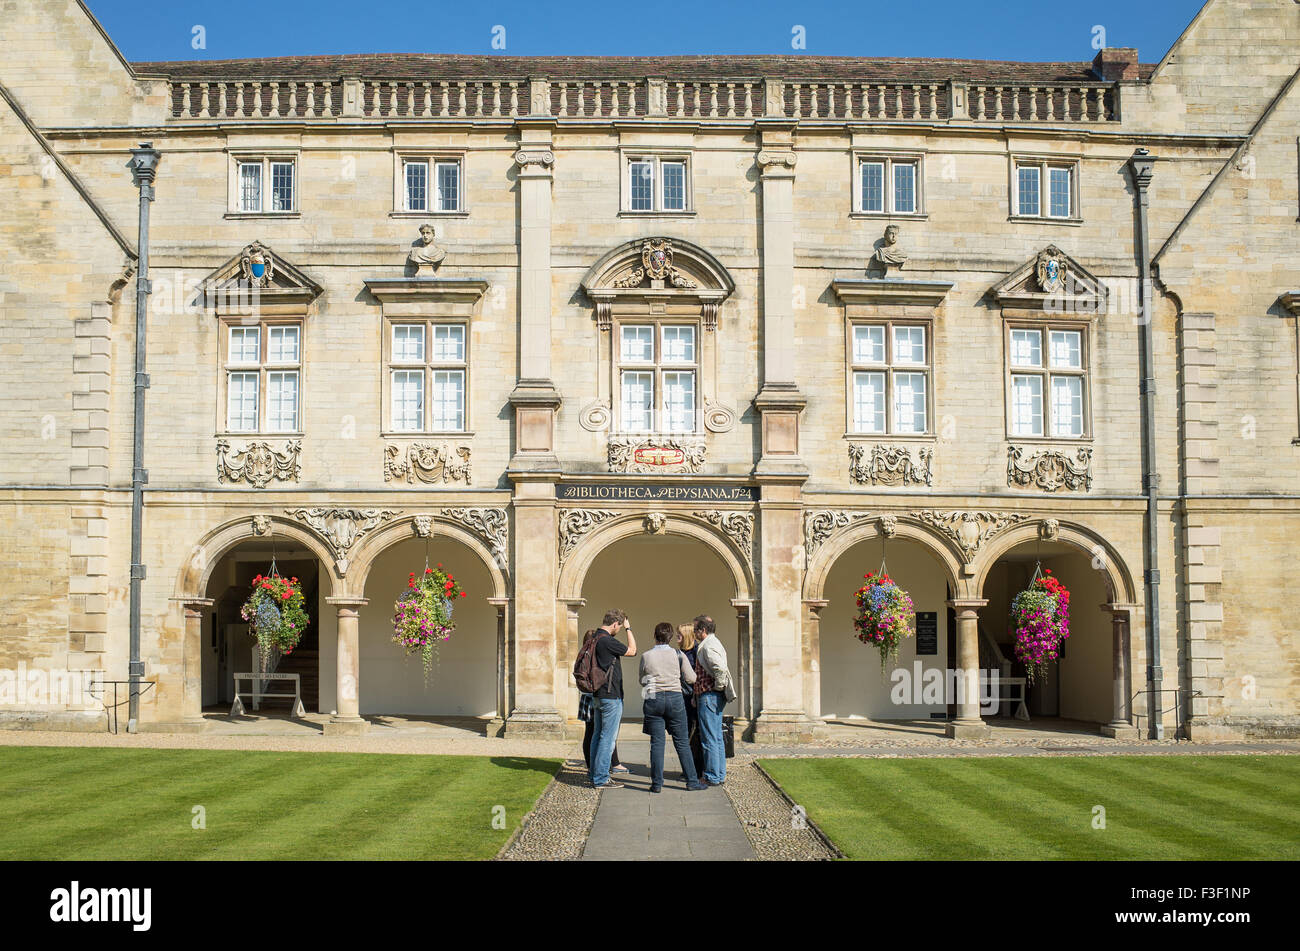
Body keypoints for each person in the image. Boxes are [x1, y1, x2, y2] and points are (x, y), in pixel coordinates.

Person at [640, 622, 706, 793]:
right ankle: (692, 781)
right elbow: (691, 678)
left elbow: (642, 680)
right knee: (682, 742)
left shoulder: (646, 656)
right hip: (675, 698)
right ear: (670, 637)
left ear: (655, 636)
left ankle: (656, 784)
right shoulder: (678, 655)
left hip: (653, 698)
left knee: (656, 743)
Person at [588, 609, 636, 789]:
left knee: (597, 736)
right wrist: (629, 629)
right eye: (620, 626)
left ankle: (594, 774)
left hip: (598, 695)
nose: (620, 629)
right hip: (611, 695)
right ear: (615, 624)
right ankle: (601, 778)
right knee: (608, 739)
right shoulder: (607, 641)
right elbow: (633, 650)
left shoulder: (594, 638)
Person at [693, 614, 736, 786]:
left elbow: (719, 669)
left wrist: (718, 687)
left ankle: (711, 776)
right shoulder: (713, 642)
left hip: (709, 695)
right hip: (713, 696)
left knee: (709, 738)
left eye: (696, 629)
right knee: (716, 737)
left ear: (702, 630)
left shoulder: (708, 646)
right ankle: (719, 774)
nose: (694, 633)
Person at [579, 632, 625, 775]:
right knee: (605, 733)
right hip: (595, 695)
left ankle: (593, 766)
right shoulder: (595, 653)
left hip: (589, 696)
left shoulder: (585, 653)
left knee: (594, 733)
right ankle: (604, 767)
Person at [675, 622, 705, 778]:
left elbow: (697, 678)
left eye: (679, 635)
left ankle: (696, 769)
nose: (677, 637)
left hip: (692, 698)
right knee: (685, 734)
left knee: (694, 734)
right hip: (682, 698)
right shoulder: (679, 653)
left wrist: (694, 696)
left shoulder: (695, 653)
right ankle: (689, 769)